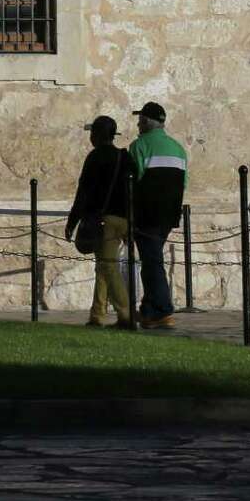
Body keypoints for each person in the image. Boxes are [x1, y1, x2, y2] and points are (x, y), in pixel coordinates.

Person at [63, 115, 132, 329]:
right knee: (103, 266)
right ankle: (97, 314)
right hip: (125, 218)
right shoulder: (124, 157)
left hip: (105, 219)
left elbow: (84, 192)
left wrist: (72, 221)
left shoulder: (95, 157)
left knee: (109, 267)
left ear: (98, 135)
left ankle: (126, 314)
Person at [127, 101, 188, 330]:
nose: (138, 124)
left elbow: (133, 182)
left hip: (146, 213)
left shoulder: (139, 146)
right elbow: (184, 182)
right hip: (169, 214)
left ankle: (162, 310)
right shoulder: (178, 148)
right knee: (152, 258)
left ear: (148, 122)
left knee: (152, 262)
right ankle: (148, 310)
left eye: (140, 119)